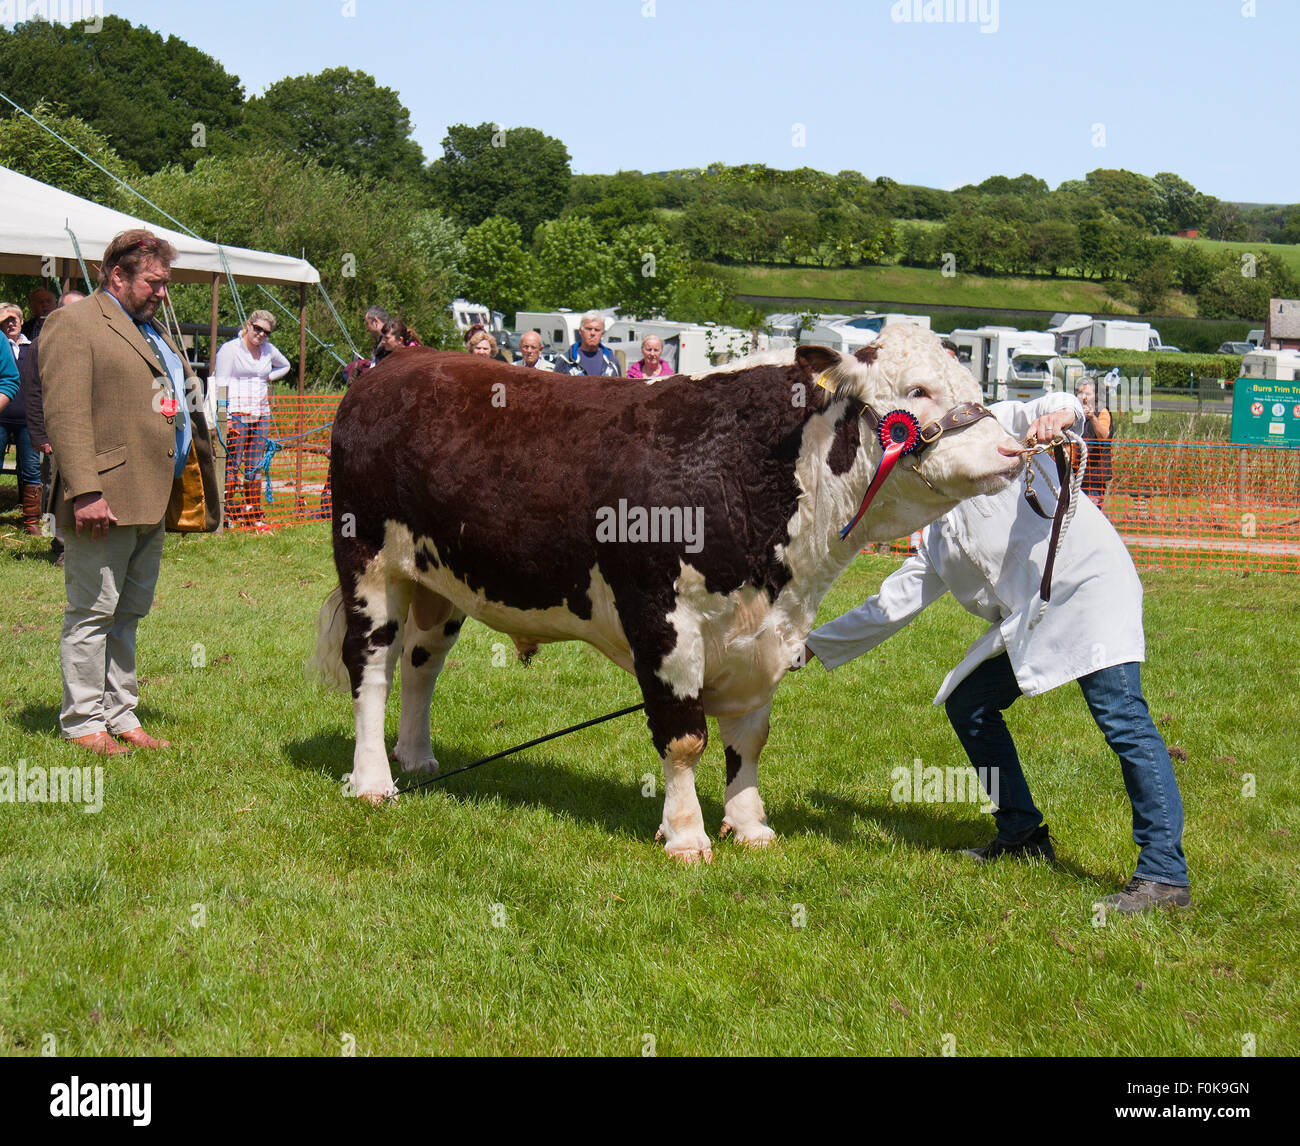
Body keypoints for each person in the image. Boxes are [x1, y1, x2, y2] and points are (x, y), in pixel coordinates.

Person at [804, 392, 1190, 916]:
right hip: (1033, 616)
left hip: (1088, 589)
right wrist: (805, 649)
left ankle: (1165, 875)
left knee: (1122, 719)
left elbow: (1052, 405)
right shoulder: (937, 535)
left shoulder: (990, 424)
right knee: (970, 705)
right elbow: (886, 608)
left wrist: (1060, 416)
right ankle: (1021, 832)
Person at [40, 229, 220, 755]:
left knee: (129, 612)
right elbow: (65, 414)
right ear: (117, 275)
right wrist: (85, 491)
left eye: (165, 283)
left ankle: (120, 715)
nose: (162, 292)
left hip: (151, 494)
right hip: (103, 498)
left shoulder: (151, 329)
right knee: (93, 612)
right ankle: (82, 721)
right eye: (154, 282)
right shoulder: (72, 324)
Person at [19, 291, 86, 563]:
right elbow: (32, 393)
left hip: (88, 430)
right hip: (55, 431)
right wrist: (39, 434)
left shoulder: (92, 342)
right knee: (54, 486)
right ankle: (60, 546)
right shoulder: (41, 344)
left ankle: (85, 544)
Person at [213, 310, 290, 527]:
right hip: (235, 413)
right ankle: (225, 511)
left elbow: (285, 365)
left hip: (260, 413)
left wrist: (269, 376)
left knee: (254, 466)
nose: (261, 334)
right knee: (231, 464)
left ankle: (252, 511)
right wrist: (224, 416)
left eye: (266, 332)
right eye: (257, 329)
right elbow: (221, 383)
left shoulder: (268, 350)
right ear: (248, 325)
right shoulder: (230, 349)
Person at [0, 302, 41, 534]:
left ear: (22, 321)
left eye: (15, 318)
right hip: (1, 417)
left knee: (31, 470)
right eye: (6, 320)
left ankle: (32, 522)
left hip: (28, 420)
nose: (11, 323)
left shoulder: (33, 347)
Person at [1076, 379, 1113, 508]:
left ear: (1096, 396)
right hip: (1073, 477)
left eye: (1087, 394)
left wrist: (1092, 417)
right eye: (1080, 393)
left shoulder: (1103, 412)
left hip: (1093, 478)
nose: (1083, 397)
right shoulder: (1075, 414)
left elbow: (1104, 436)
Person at [553, 311, 620, 377]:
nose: (592, 333)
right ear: (580, 331)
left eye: (597, 330)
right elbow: (554, 386)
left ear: (602, 334)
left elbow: (620, 386)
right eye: (588, 329)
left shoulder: (611, 361)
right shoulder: (566, 360)